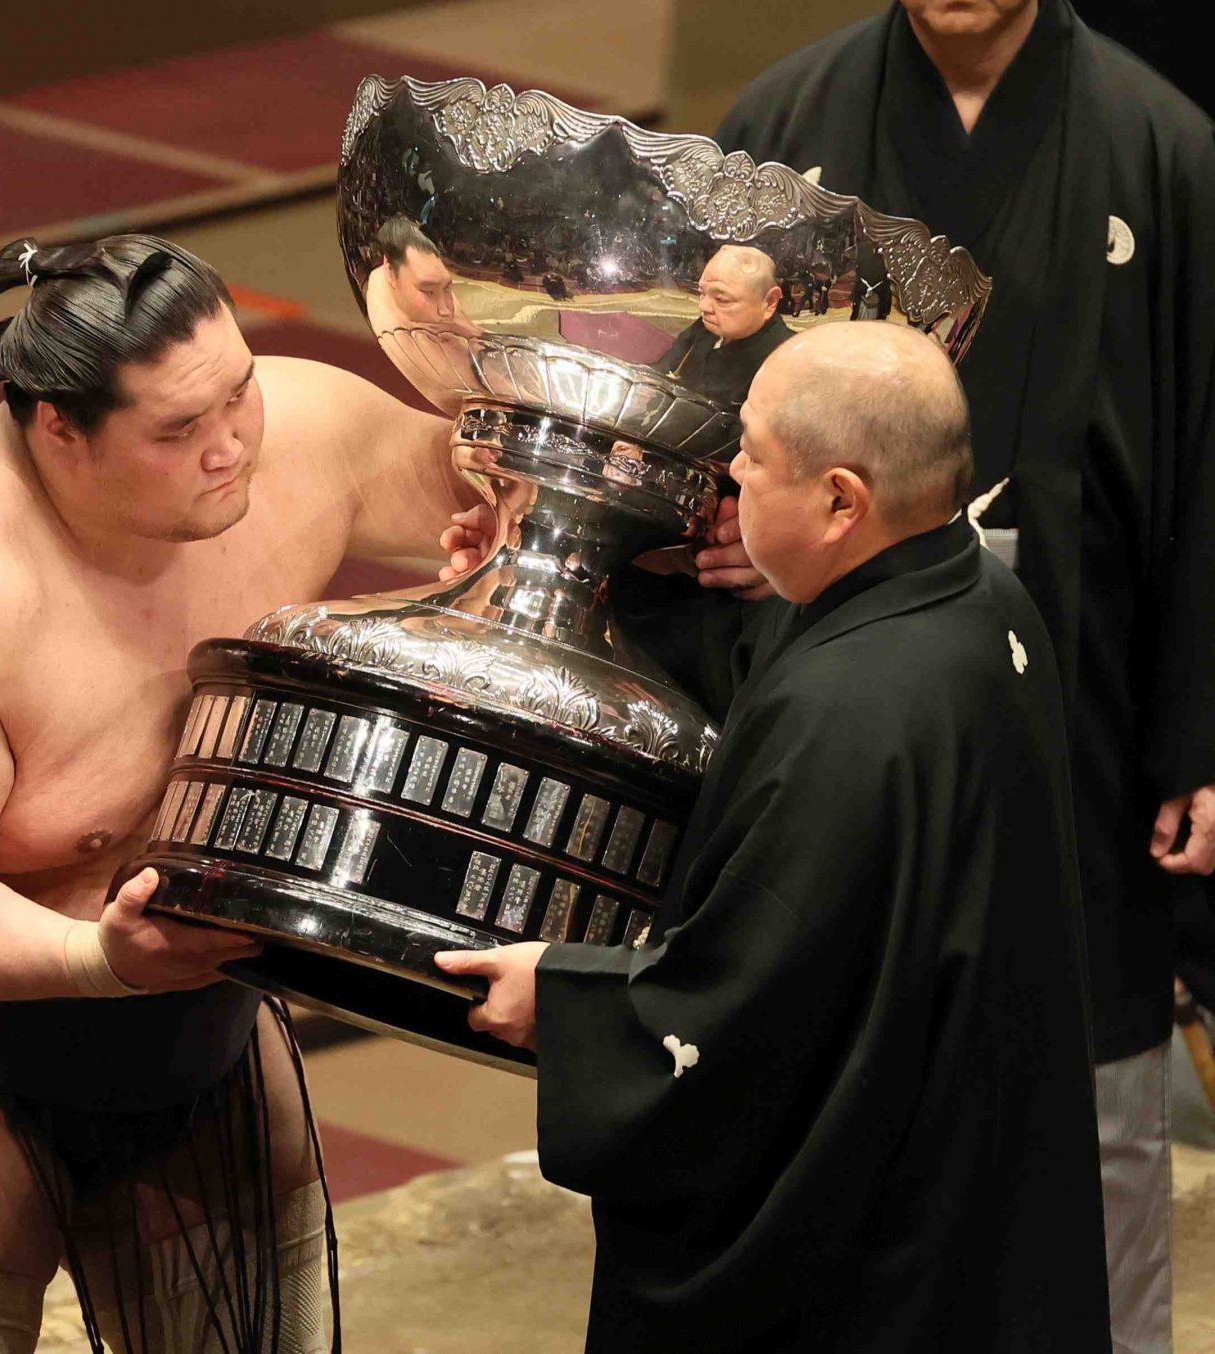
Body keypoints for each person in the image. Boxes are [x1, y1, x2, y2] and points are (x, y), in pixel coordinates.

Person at [0, 233, 480, 1354]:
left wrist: (523, 544)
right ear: (61, 429)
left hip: (198, 1008)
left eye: (238, 391)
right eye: (179, 430)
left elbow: (501, 492)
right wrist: (96, 958)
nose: (232, 446)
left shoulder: (298, 433)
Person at [437, 322, 1110, 1352]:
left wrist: (566, 1004)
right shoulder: (978, 597)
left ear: (841, 499)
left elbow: (751, 1003)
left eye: (751, 454)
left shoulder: (850, 714)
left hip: (871, 1251)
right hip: (969, 1168)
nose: (730, 477)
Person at [700, 3, 1215, 1344]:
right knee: (813, 1062)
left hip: (1080, 702)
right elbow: (711, 422)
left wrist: (1201, 731)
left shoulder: (1164, 149)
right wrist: (719, 526)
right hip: (827, 705)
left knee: (1091, 1098)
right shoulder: (779, 132)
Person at [652, 245, 792, 406]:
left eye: (722, 300)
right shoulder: (706, 329)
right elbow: (663, 371)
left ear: (770, 301)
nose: (703, 307)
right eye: (702, 293)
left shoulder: (787, 361)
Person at [363, 216, 480, 338]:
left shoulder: (437, 281)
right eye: (428, 292)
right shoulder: (384, 324)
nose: (445, 311)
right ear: (391, 273)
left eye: (446, 289)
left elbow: (470, 330)